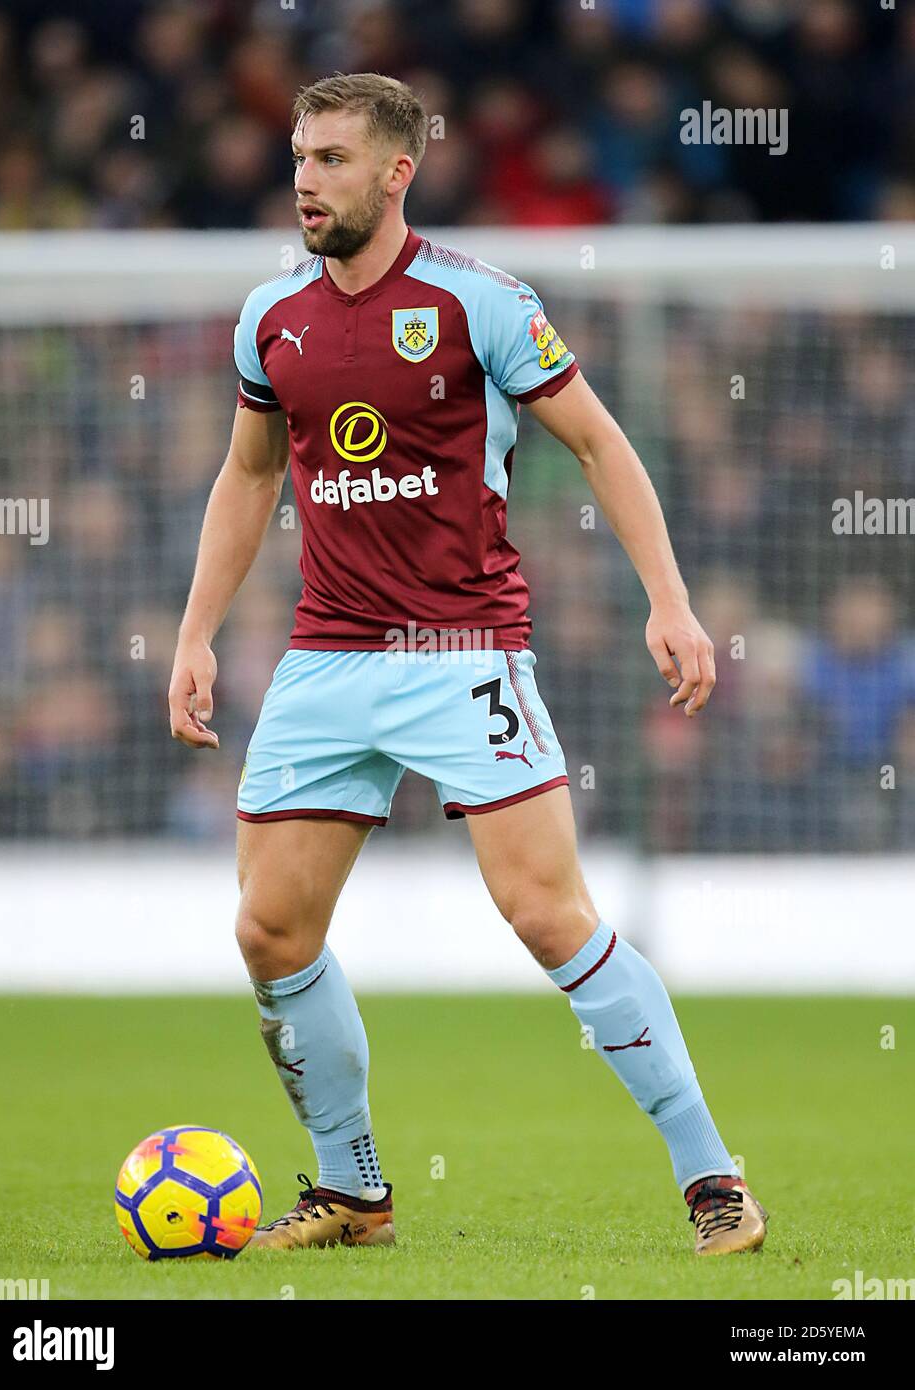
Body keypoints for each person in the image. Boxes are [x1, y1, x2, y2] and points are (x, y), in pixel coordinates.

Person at [168, 72, 768, 1256]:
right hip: (326, 657)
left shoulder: (476, 301)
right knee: (269, 932)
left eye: (333, 159)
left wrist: (669, 599)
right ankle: (354, 1190)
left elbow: (599, 442)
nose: (305, 181)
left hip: (464, 652)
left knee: (546, 913)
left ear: (398, 171)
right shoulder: (270, 318)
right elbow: (249, 474)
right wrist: (194, 631)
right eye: (299, 157)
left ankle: (713, 1179)